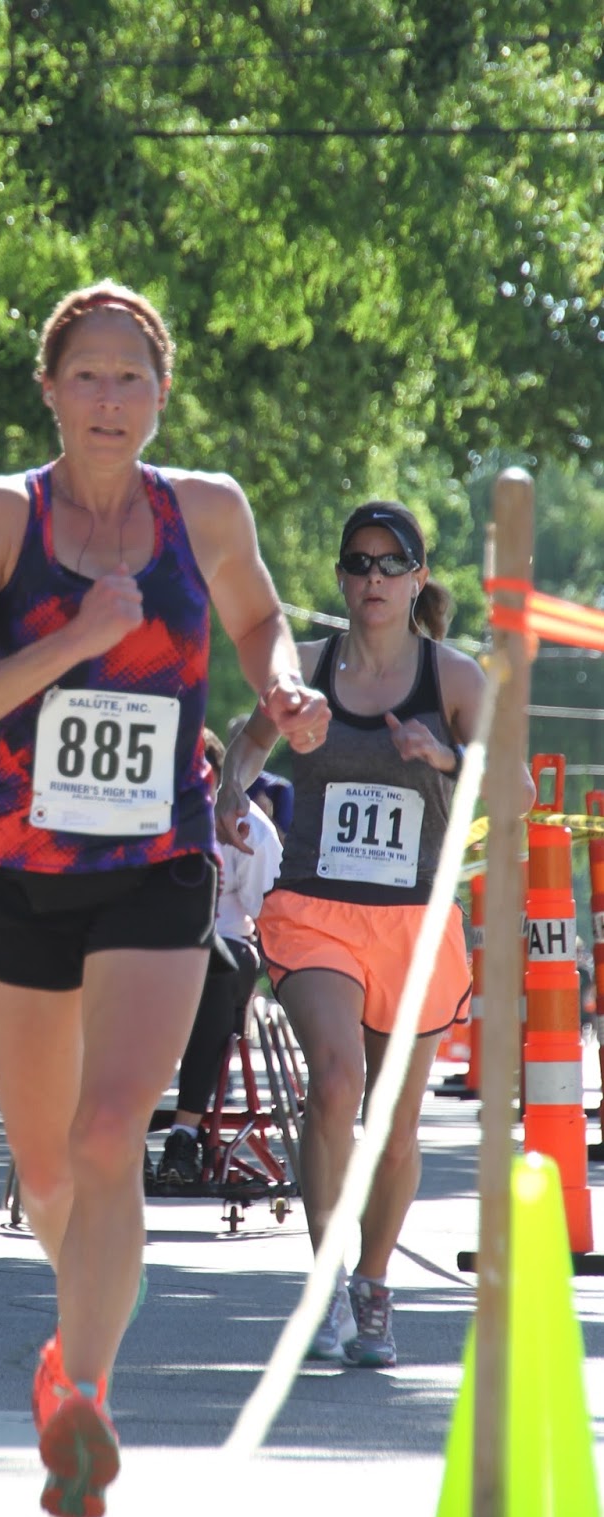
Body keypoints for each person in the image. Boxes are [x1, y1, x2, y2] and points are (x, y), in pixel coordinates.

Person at [0, 280, 329, 1517]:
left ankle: (82, 1397)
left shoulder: (204, 509)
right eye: (84, 375)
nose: (107, 399)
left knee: (109, 1139)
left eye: (129, 378)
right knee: (46, 1176)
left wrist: (287, 691)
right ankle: (68, 1344)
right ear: (47, 388)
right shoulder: (0, 517)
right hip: (26, 876)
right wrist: (72, 642)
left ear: (161, 392)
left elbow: (259, 625)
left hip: (159, 864)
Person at [217, 499, 533, 1368]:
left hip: (415, 923)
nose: (372, 580)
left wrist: (445, 759)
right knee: (335, 1079)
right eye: (356, 564)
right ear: (342, 579)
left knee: (394, 1128)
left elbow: (517, 798)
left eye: (390, 564)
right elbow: (243, 753)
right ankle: (324, 1286)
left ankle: (372, 1283)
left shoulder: (457, 680)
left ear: (418, 577)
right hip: (315, 911)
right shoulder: (307, 670)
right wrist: (230, 801)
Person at [154, 728, 283, 1186]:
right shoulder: (146, 819)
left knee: (215, 960)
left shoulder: (247, 826)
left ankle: (184, 1134)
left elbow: (269, 911)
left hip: (224, 945)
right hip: (151, 949)